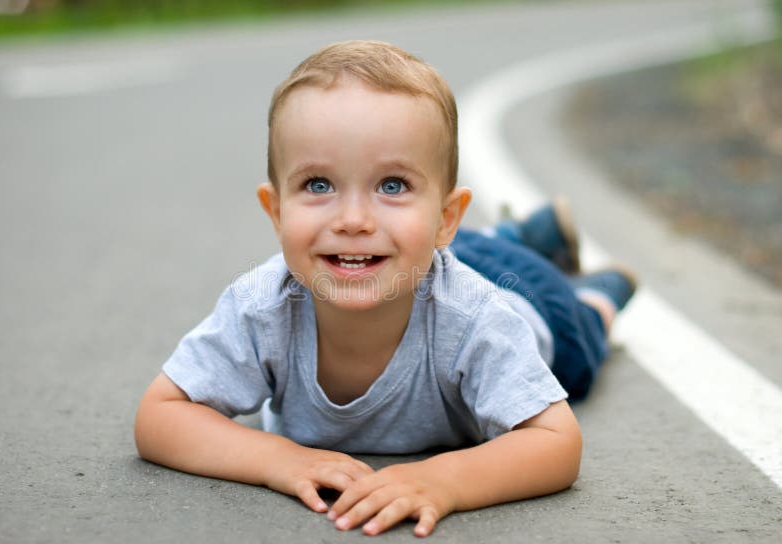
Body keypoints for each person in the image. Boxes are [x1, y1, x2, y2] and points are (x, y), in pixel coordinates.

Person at [134, 40, 637, 538]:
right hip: (407, 254)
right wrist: (275, 458)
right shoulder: (263, 307)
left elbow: (556, 442)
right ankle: (521, 235)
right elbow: (160, 415)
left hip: (530, 297)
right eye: (318, 185)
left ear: (447, 218)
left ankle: (597, 289)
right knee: (423, 247)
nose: (352, 220)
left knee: (581, 345)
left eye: (391, 185)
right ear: (276, 210)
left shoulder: (477, 319)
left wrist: (444, 480)